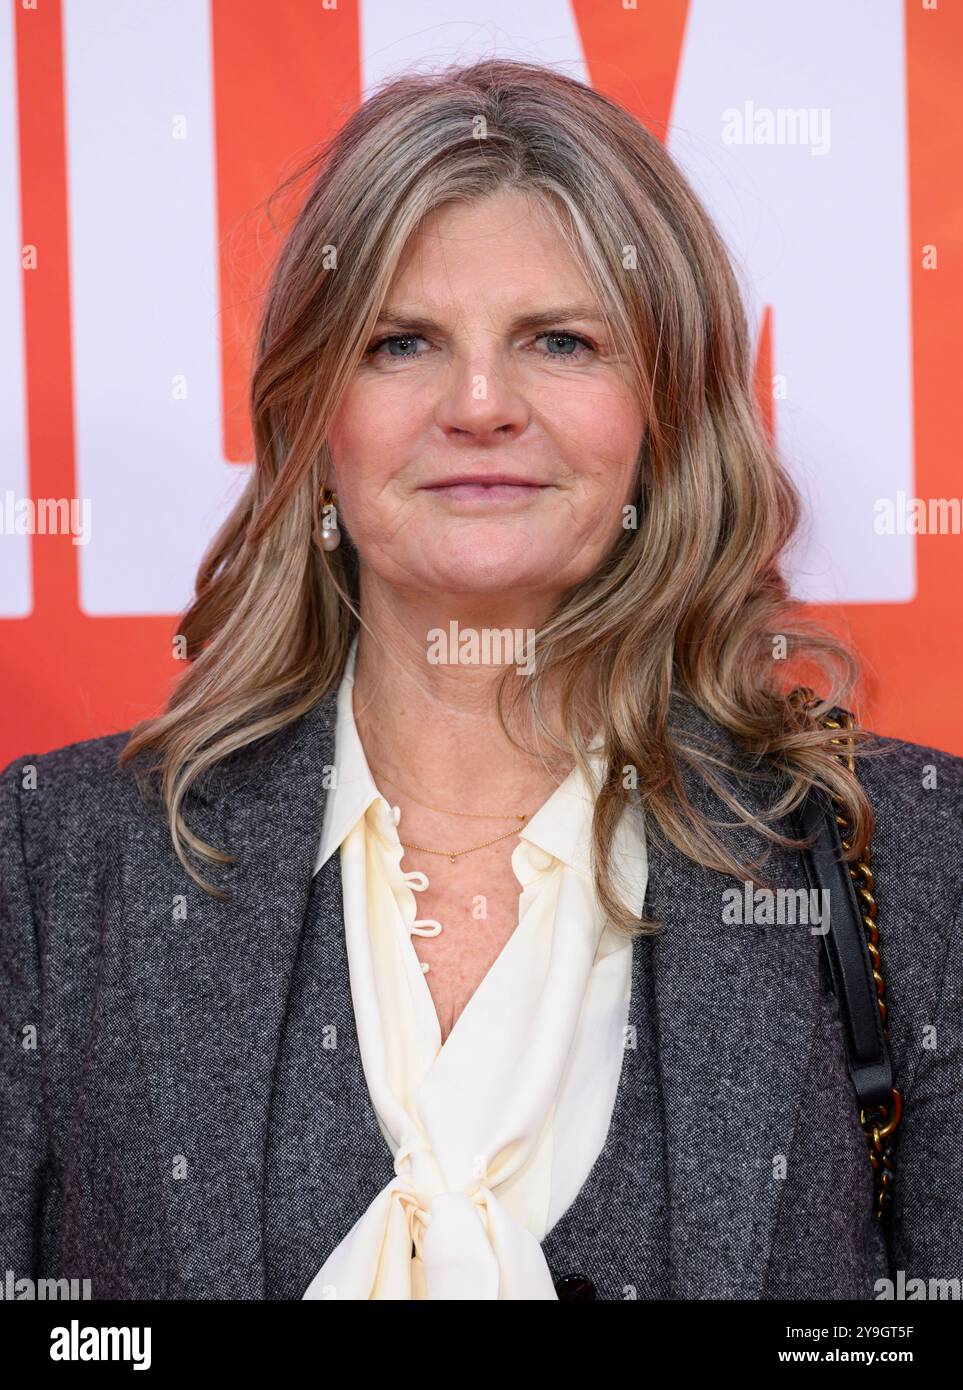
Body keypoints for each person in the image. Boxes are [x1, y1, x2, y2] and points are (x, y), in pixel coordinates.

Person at [2, 58, 961, 1302]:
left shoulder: (913, 856)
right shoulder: (51, 863)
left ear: (667, 412)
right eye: (403, 342)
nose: (478, 404)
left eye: (559, 341)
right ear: (312, 416)